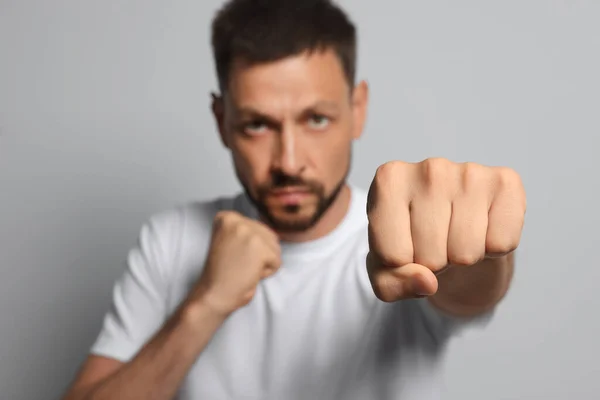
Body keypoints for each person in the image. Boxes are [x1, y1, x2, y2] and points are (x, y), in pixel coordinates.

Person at [63, 0, 526, 399]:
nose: (288, 161)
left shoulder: (402, 236)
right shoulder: (172, 239)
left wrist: (477, 244)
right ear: (221, 120)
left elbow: (470, 288)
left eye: (316, 120)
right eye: (257, 125)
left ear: (357, 109)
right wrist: (206, 303)